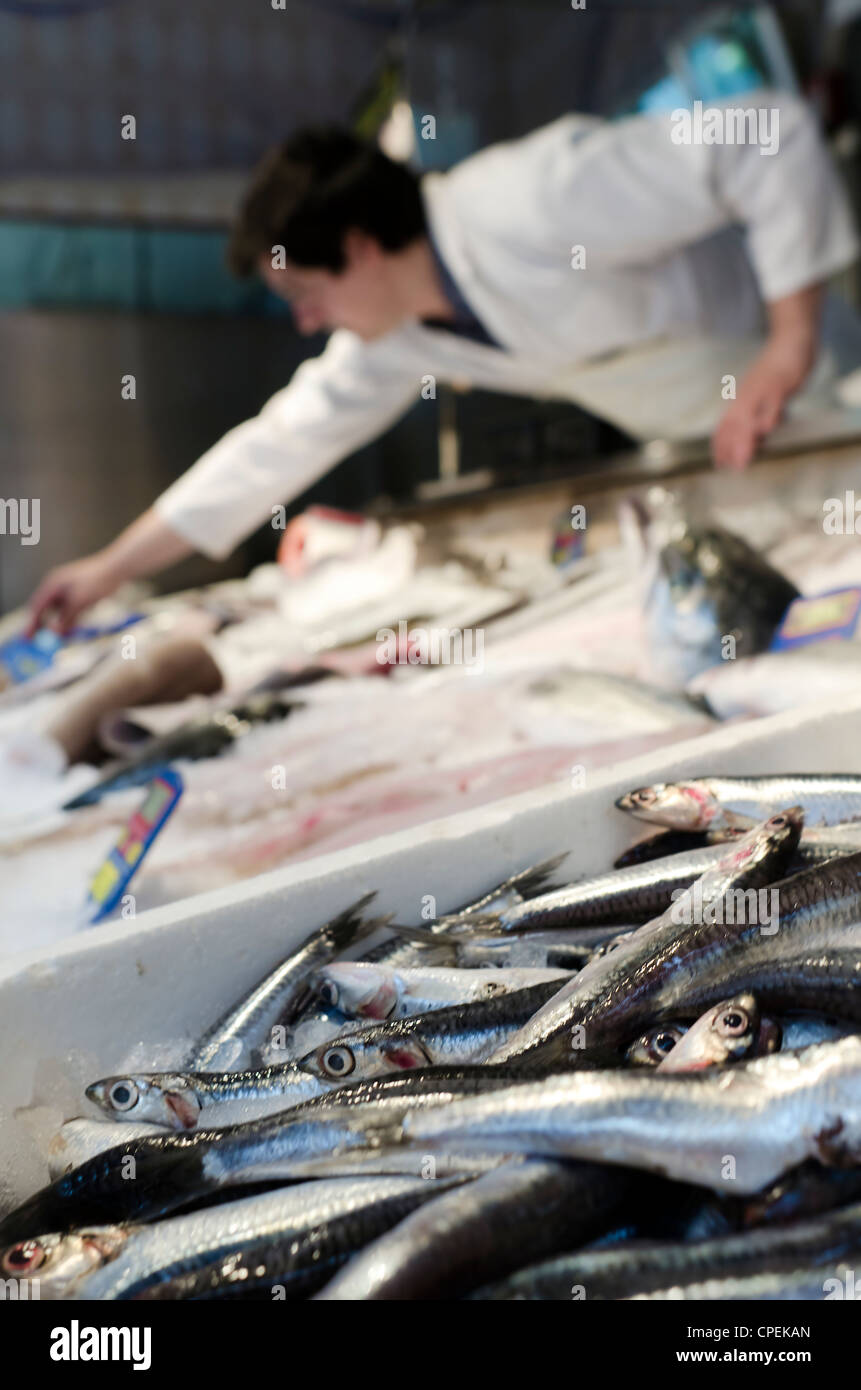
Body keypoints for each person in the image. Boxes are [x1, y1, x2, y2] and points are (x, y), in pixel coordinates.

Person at [28, 91, 858, 634]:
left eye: (306, 292)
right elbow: (272, 448)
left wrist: (789, 343)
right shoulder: (396, 336)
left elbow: (767, 136)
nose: (307, 321)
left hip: (830, 384)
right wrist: (108, 570)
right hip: (743, 461)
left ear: (358, 247)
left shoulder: (529, 199)